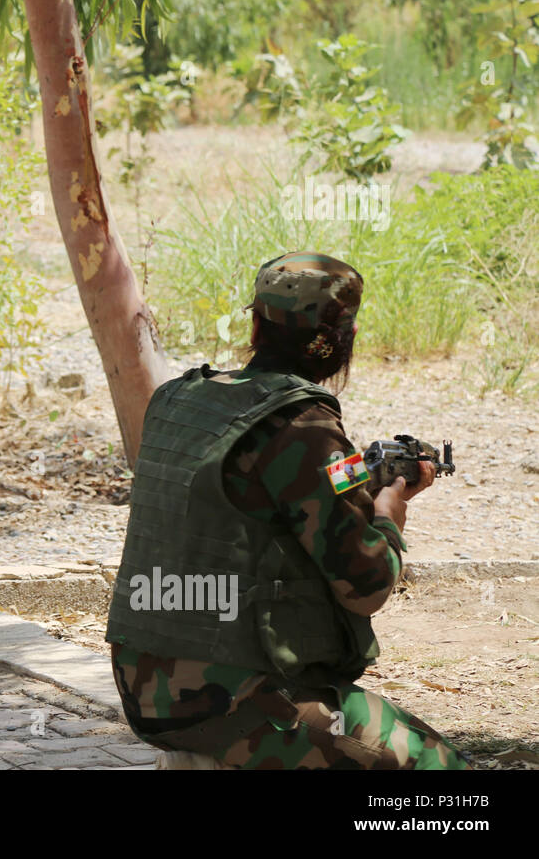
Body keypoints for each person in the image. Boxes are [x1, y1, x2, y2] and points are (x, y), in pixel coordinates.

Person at [105, 252, 467, 769]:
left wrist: (360, 470)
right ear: (344, 340)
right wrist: (389, 509)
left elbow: (260, 489)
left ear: (255, 322)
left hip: (144, 687)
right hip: (235, 699)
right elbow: (366, 587)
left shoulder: (175, 399)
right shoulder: (304, 423)